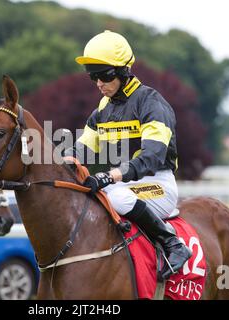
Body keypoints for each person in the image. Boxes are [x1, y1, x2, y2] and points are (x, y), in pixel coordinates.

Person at [68, 30, 192, 279]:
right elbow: (82, 149)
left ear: (124, 71)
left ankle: (173, 243)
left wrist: (109, 176)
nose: (99, 83)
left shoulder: (151, 102)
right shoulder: (103, 109)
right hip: (123, 185)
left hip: (157, 185)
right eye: (93, 77)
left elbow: (152, 157)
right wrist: (58, 162)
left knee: (112, 196)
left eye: (104, 75)